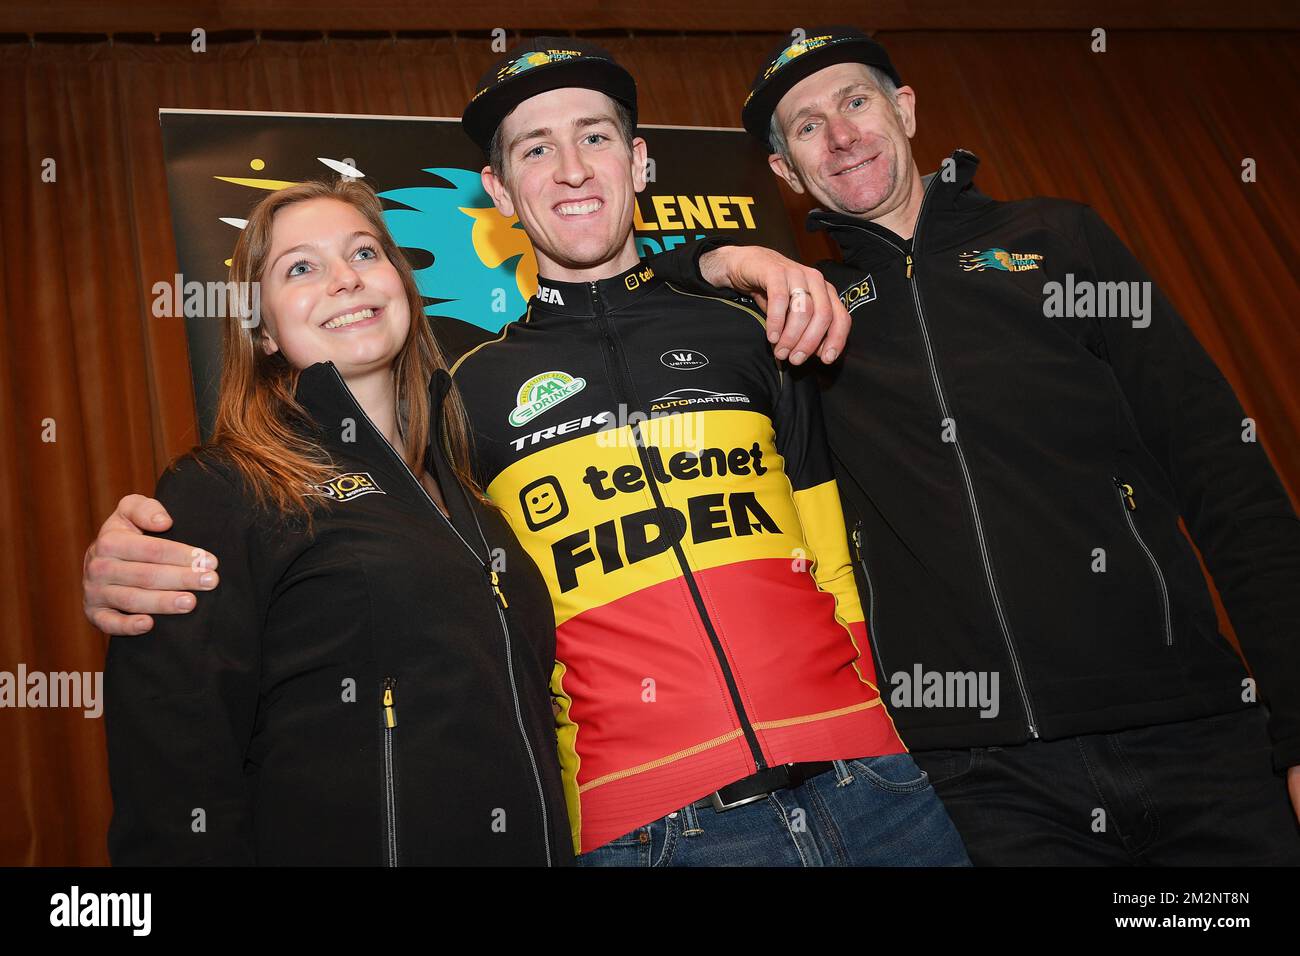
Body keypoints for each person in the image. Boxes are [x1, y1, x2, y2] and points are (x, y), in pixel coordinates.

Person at [85, 39, 970, 867]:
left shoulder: (757, 325)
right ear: (499, 193)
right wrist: (125, 557)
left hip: (878, 789)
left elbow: (836, 553)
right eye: (536, 150)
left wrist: (717, 261)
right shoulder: (460, 395)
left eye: (595, 137)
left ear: (642, 162)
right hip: (647, 829)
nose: (574, 167)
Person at [715, 26, 1300, 864]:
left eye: (855, 102)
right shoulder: (800, 318)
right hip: (981, 781)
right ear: (784, 171)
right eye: (806, 127)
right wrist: (739, 259)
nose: (841, 136)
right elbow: (641, 283)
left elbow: (1229, 480)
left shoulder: (1063, 240)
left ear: (905, 109)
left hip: (1192, 732)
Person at [103, 177, 572, 865]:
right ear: (260, 329)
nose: (345, 280)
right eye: (301, 268)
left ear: (401, 285)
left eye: (364, 253)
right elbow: (173, 778)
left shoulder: (477, 504)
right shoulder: (220, 491)